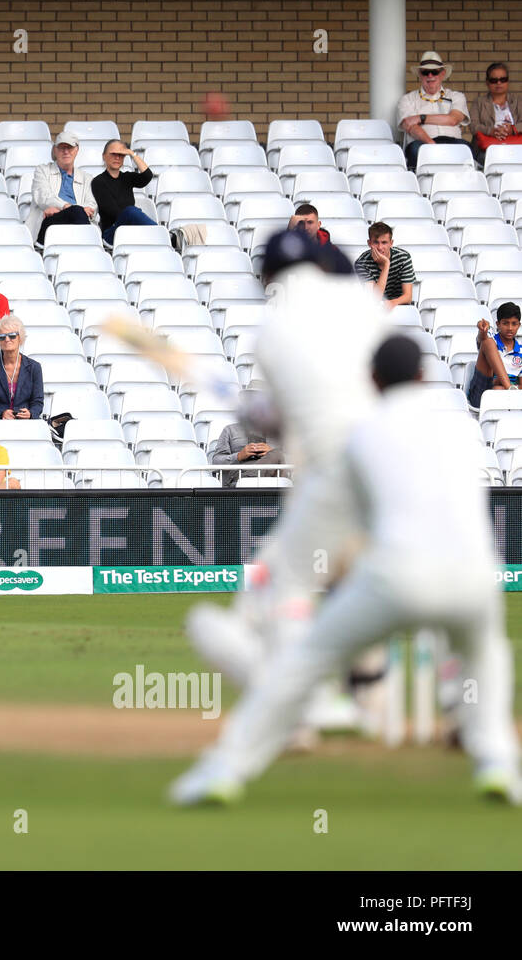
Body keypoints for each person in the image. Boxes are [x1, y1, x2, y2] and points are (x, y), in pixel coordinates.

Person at [172, 334, 522, 806]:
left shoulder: (362, 434)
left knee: (302, 662)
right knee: (486, 655)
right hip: (475, 577)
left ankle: (225, 769)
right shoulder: (461, 430)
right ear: (422, 377)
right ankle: (498, 761)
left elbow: (329, 509)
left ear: (373, 380)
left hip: (397, 577)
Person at [185, 230, 388, 739]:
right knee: (362, 580)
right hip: (383, 464)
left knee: (283, 589)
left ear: (271, 279)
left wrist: (249, 409)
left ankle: (301, 709)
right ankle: (372, 695)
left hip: (327, 472)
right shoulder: (362, 310)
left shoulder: (273, 334)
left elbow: (277, 421)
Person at [396, 50, 470, 170]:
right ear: (420, 75)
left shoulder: (456, 96)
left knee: (466, 149)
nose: (430, 76)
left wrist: (421, 118)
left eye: (434, 72)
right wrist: (431, 144)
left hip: (453, 142)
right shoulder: (407, 99)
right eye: (426, 72)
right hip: (423, 143)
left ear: (442, 74)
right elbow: (411, 127)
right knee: (416, 150)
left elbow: (453, 120)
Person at [26, 130, 97, 247]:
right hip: (50, 225)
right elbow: (43, 196)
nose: (66, 151)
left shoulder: (87, 178)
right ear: (55, 150)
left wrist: (71, 210)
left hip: (78, 223)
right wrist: (67, 207)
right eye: (61, 148)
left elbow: (92, 205)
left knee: (77, 212)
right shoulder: (42, 170)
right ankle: (88, 249)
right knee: (77, 211)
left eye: (69, 147)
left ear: (77, 150)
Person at [91, 140, 158, 247]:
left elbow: (147, 175)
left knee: (131, 211)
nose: (117, 158)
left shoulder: (127, 177)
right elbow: (113, 212)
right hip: (112, 234)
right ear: (104, 156)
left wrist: (132, 154)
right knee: (130, 211)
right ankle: (163, 235)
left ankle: (162, 235)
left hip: (131, 230)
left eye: (121, 155)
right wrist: (134, 214)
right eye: (113, 154)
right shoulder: (98, 182)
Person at [0, 315, 44, 421]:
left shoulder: (34, 367)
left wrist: (30, 413)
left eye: (12, 335)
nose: (7, 339)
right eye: (2, 337)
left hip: (26, 423)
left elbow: (37, 402)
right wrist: (1, 413)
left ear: (20, 338)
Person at [467, 302, 522, 406]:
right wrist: (482, 330)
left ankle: (508, 388)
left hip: (507, 396)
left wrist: (501, 385)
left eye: (514, 323)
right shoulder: (490, 338)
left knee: (498, 389)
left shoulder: (521, 350)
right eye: (505, 323)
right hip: (482, 392)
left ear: (519, 325)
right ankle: (508, 387)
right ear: (498, 324)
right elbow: (482, 339)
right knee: (487, 342)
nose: (510, 328)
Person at [353, 221, 416, 308]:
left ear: (391, 243)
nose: (380, 247)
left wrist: (391, 303)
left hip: (400, 306)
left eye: (384, 242)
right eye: (375, 242)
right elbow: (374, 299)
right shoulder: (362, 263)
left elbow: (408, 297)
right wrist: (386, 265)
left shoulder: (403, 258)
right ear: (369, 243)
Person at [207, 419, 285, 488]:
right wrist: (238, 456)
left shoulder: (278, 432)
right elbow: (216, 462)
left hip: (273, 476)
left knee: (277, 454)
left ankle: (251, 481)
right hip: (241, 474)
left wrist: (271, 453)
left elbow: (294, 460)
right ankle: (251, 480)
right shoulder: (230, 430)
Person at [469, 62, 522, 160]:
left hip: (516, 146)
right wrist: (491, 131)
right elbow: (473, 125)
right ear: (487, 82)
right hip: (487, 148)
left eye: (503, 79)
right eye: (494, 80)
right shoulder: (479, 102)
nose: (499, 83)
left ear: (508, 81)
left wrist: (513, 129)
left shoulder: (518, 101)